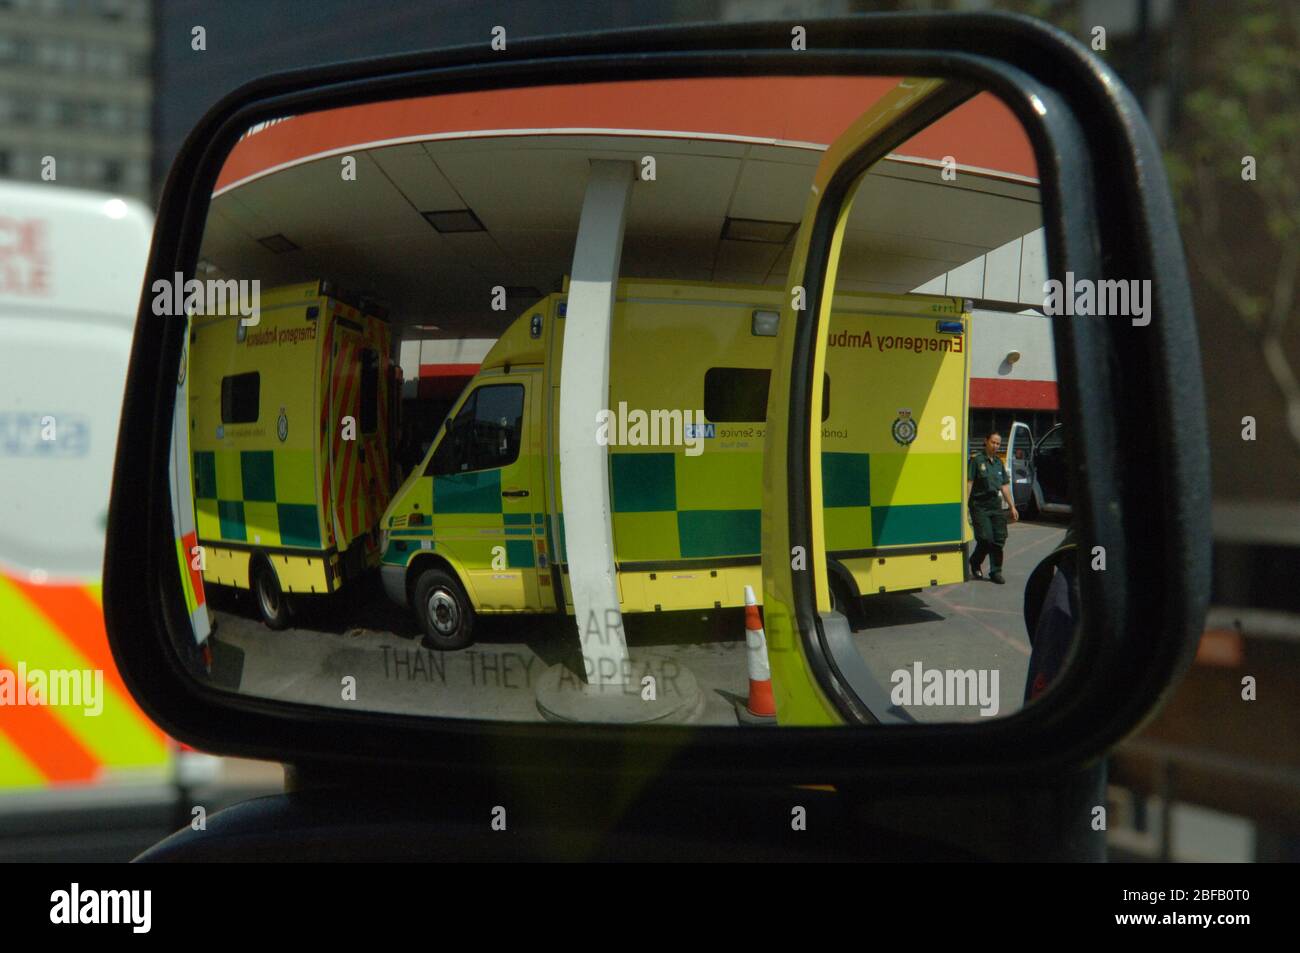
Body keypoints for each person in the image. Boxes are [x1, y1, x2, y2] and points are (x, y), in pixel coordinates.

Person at [967, 431, 1018, 584]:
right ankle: (975, 562)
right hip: (979, 505)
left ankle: (996, 571)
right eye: (993, 442)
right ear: (986, 441)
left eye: (998, 443)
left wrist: (1012, 506)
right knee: (985, 538)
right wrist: (964, 507)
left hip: (995, 505)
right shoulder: (976, 461)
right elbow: (969, 483)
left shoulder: (998, 463)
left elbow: (1004, 486)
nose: (995, 446)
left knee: (999, 539)